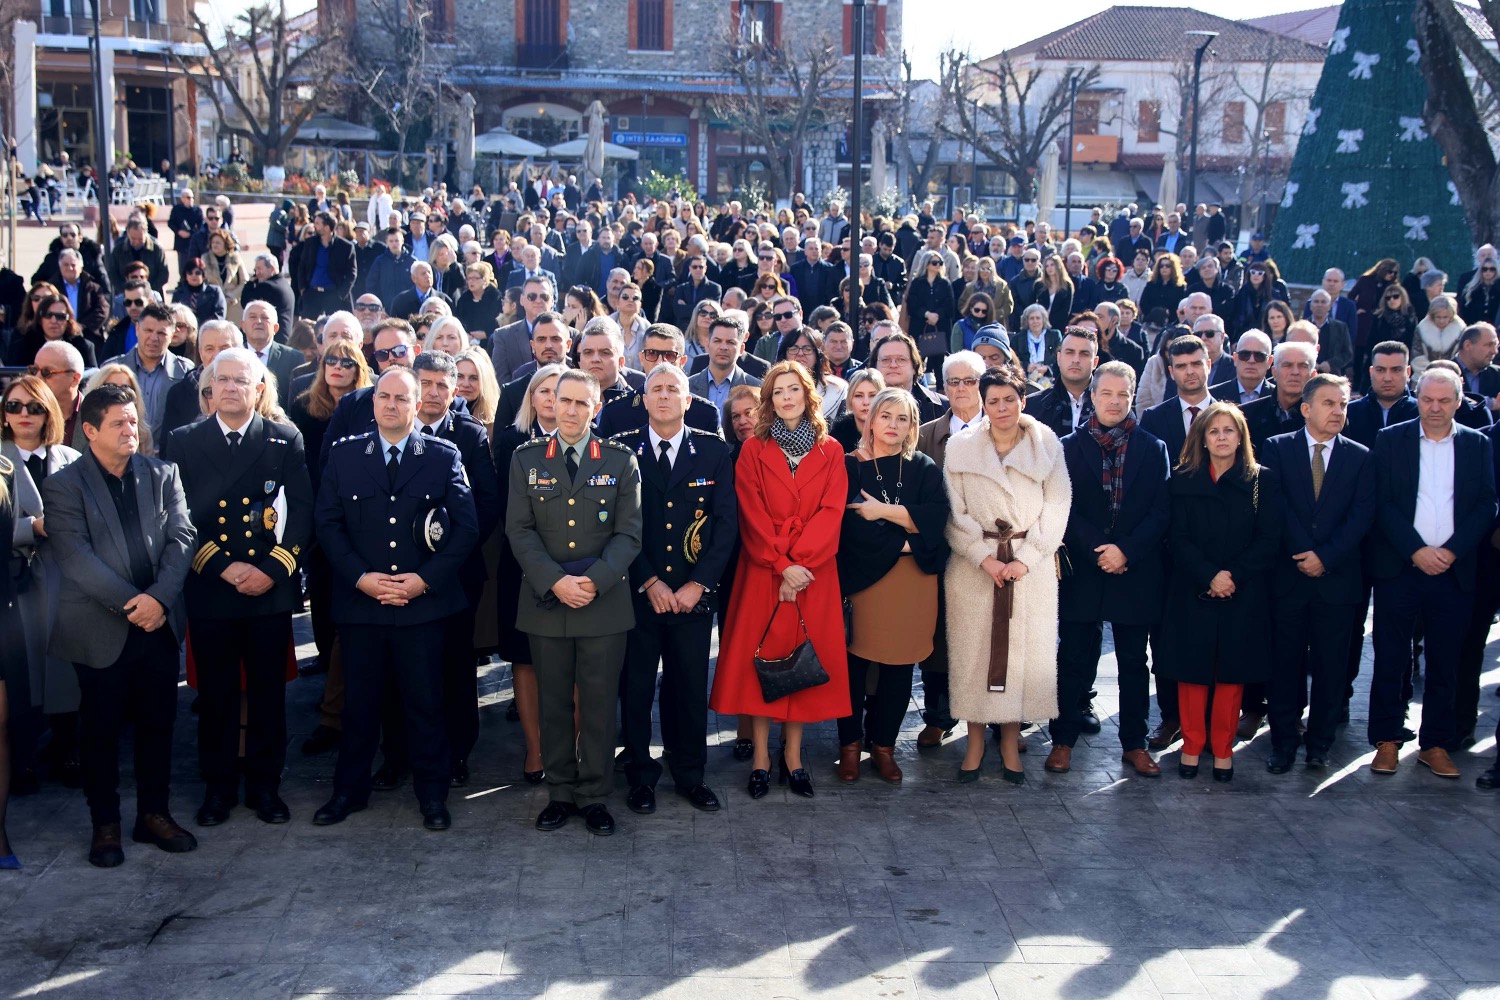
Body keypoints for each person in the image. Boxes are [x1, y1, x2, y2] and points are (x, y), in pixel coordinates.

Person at [312, 366, 479, 831]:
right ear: (373, 403)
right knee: (359, 706)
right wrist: (361, 578)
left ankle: (432, 795)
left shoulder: (443, 456)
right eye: (384, 397)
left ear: (416, 404)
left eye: (402, 399)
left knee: (425, 704)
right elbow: (327, 524)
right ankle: (348, 791)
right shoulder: (346, 456)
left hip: (422, 607)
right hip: (362, 604)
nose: (391, 405)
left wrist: (423, 582)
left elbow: (465, 530)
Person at [42, 383, 197, 866]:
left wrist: (160, 600)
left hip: (157, 626)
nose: (131, 430)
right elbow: (76, 558)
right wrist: (138, 604)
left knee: (157, 724)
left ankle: (153, 814)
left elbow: (182, 537)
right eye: (119, 423)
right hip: (99, 628)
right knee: (101, 730)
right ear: (89, 431)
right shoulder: (64, 486)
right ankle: (105, 824)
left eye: (133, 421)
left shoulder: (161, 472)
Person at [166, 348, 312, 826]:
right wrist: (223, 568)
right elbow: (178, 518)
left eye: (240, 380)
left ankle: (266, 787)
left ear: (259, 389)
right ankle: (219, 787)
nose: (231, 388)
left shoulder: (283, 438)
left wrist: (273, 568)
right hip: (212, 586)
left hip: (269, 586)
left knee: (270, 694)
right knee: (217, 695)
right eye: (222, 380)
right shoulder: (184, 441)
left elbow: (303, 515)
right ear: (209, 391)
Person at [506, 370, 641, 835]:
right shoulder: (526, 459)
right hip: (547, 601)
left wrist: (593, 582)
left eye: (582, 403)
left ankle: (595, 794)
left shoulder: (621, 460)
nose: (570, 410)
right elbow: (519, 531)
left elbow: (629, 534)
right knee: (555, 703)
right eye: (564, 400)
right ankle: (560, 792)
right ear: (550, 402)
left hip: (602, 604)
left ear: (596, 408)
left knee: (600, 704)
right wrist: (554, 582)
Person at [709, 360, 850, 799]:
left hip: (812, 574)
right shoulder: (753, 449)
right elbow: (749, 512)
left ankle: (793, 757)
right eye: (777, 392)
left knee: (801, 665)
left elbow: (831, 513)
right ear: (768, 401)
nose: (786, 397)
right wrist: (780, 563)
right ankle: (761, 760)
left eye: (793, 389)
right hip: (765, 572)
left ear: (809, 395)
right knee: (762, 665)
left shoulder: (832, 451)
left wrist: (799, 565)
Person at [613, 364, 735, 815]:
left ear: (689, 400)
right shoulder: (622, 451)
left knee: (687, 689)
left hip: (692, 599)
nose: (664, 396)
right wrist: (649, 580)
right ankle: (641, 776)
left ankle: (690, 774)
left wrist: (698, 584)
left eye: (673, 390)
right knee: (637, 688)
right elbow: (619, 526)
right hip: (638, 596)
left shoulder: (713, 452)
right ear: (644, 399)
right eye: (655, 389)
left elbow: (725, 526)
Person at [1367, 367, 1497, 779]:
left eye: (1444, 400)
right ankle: (1386, 741)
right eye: (1427, 399)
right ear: (1416, 397)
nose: (1435, 408)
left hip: (1454, 571)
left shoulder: (1477, 444)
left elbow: (1485, 505)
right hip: (1401, 568)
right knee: (1391, 657)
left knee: (1446, 661)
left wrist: (1452, 552)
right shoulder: (1391, 439)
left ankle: (1435, 743)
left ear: (1459, 401)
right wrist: (1416, 550)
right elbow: (1382, 502)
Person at [943, 364, 1070, 785]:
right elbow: (953, 512)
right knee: (974, 655)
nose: (1001, 408)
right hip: (974, 568)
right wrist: (984, 556)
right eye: (993, 400)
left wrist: (1027, 557)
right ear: (983, 402)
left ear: (1022, 400)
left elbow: (1057, 506)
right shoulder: (960, 447)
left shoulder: (1046, 444)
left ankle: (1011, 741)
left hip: (1028, 569)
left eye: (1009, 399)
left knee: (1020, 657)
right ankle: (975, 741)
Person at [1048, 361, 1169, 777]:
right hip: (1085, 565)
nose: (1115, 401)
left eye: (1123, 394)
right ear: (1093, 396)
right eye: (1107, 394)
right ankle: (1062, 739)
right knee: (1074, 658)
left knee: (1135, 663)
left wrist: (1125, 552)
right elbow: (1062, 506)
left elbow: (1160, 511)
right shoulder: (1067, 447)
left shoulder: (1154, 448)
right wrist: (1099, 548)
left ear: (1133, 396)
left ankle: (1134, 744)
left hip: (1135, 570)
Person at [1156, 402, 1279, 782]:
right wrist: (1209, 575)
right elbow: (1176, 537)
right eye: (1214, 431)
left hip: (1241, 592)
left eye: (1229, 430)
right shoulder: (1181, 481)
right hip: (1193, 590)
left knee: (1231, 673)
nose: (1222, 437)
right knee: (1191, 672)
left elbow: (1269, 539)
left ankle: (1223, 748)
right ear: (1202, 439)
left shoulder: (1262, 481)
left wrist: (1231, 576)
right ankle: (1191, 745)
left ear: (1241, 436)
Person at [1259, 374, 1375, 773]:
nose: (1338, 411)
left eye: (1343, 404)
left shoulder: (1361, 456)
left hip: (1338, 581)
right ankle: (1283, 743)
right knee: (1285, 665)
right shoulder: (1276, 449)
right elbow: (1276, 508)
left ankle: (1320, 744)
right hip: (1289, 578)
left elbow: (1361, 516)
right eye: (1329, 403)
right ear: (1306, 408)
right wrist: (1303, 553)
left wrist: (1325, 557)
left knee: (1331, 667)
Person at [835, 388, 949, 784]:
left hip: (913, 584)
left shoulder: (924, 467)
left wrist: (885, 514)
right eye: (886, 416)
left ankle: (883, 746)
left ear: (912, 425)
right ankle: (849, 746)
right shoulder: (848, 466)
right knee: (854, 666)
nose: (893, 425)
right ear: (870, 420)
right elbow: (849, 526)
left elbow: (938, 520)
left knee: (899, 669)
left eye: (902, 418)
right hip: (863, 581)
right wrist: (908, 530)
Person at [3, 375, 83, 795]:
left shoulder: (69, 457)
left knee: (64, 669)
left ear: (49, 411)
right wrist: (29, 527)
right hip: (15, 586)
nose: (23, 415)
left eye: (33, 407)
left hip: (66, 581)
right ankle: (22, 761)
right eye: (14, 406)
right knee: (22, 674)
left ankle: (67, 751)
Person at [1026, 325, 1098, 438]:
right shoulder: (1031, 407)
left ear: (1095, 362)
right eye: (1069, 352)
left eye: (1084, 354)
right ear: (1059, 358)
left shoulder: (1108, 407)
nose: (1076, 360)